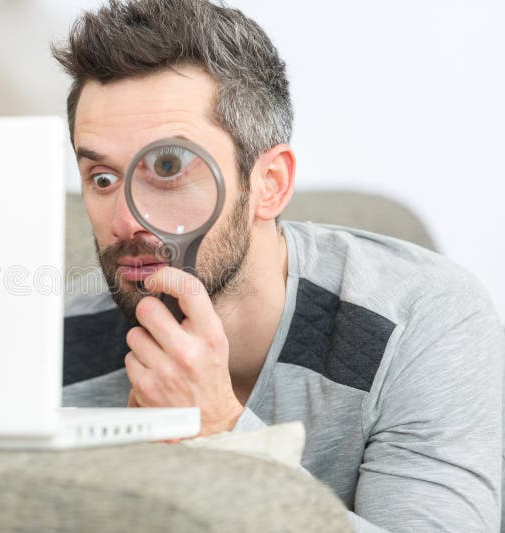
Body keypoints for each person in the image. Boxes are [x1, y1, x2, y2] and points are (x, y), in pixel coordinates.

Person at [52, 0, 504, 531]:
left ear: (269, 185)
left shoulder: (425, 321)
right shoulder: (53, 349)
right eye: (101, 178)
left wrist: (220, 433)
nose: (126, 221)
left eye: (168, 167)